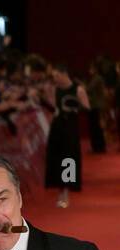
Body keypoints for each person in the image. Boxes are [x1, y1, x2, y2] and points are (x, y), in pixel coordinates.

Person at [45, 65, 88, 208]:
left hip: (70, 128)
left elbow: (87, 107)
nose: (54, 79)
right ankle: (60, 191)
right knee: (57, 158)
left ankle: (66, 192)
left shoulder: (78, 89)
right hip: (57, 127)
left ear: (64, 74)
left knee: (68, 159)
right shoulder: (54, 89)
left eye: (56, 76)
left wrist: (74, 107)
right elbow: (52, 106)